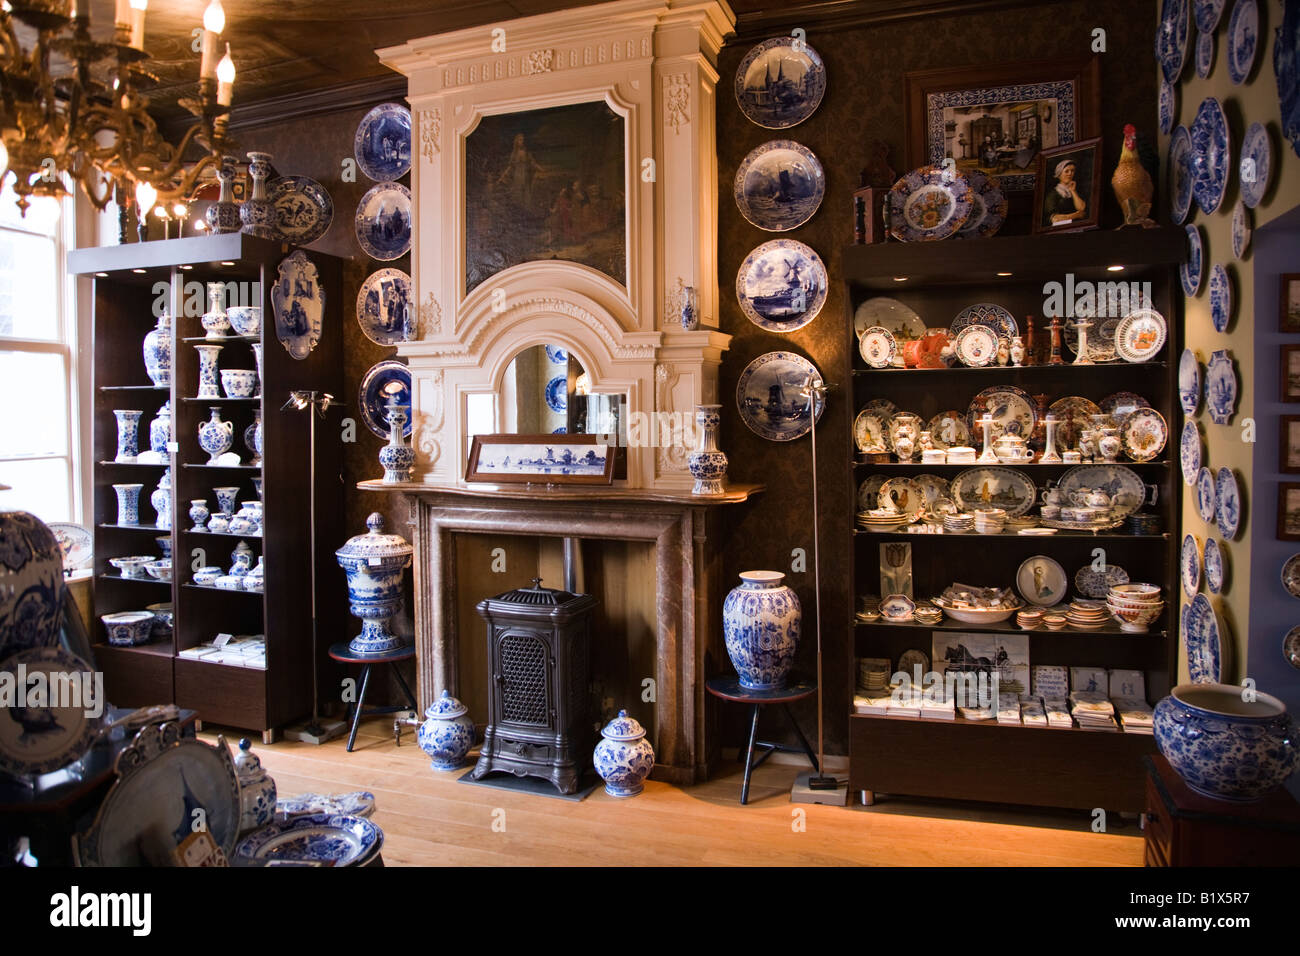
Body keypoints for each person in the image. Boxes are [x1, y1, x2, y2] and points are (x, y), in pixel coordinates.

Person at [1043, 157, 1088, 226]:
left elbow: (1082, 209)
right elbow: (1054, 219)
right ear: (1059, 174)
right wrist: (1076, 215)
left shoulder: (1074, 191)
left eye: (1072, 171)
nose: (1070, 174)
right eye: (1066, 171)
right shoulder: (1052, 195)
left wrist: (1073, 191)